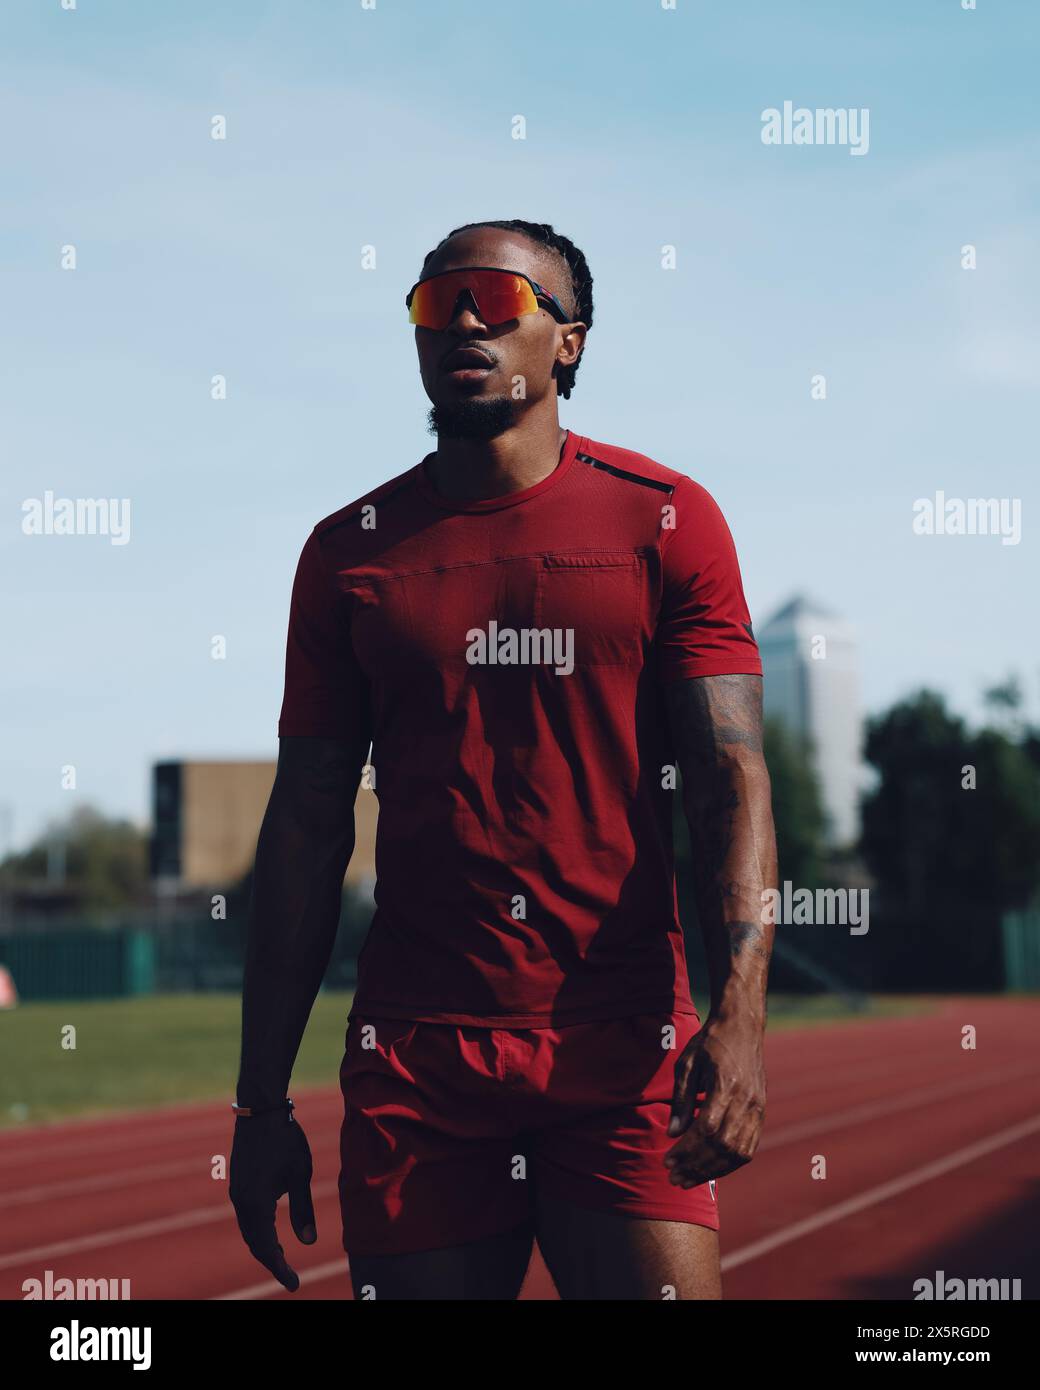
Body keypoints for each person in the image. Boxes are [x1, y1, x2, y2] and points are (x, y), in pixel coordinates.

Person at [229, 218, 777, 1300]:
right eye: (436, 303)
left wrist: (740, 1015)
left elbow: (729, 776)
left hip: (620, 1048)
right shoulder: (350, 552)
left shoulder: (664, 519)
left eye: (496, 297)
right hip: (416, 1061)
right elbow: (303, 821)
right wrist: (260, 1103)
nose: (465, 318)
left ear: (566, 341)